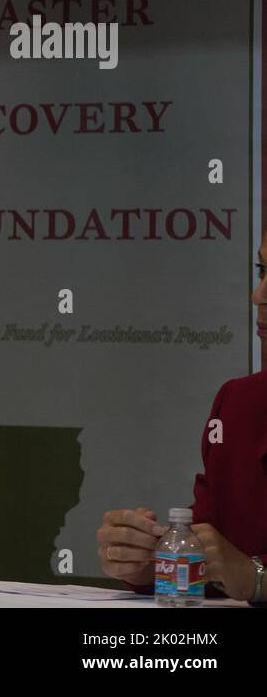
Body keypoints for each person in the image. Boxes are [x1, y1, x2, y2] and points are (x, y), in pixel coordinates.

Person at [97, 227, 267, 604]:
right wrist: (151, 557)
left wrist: (257, 578)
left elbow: (242, 571)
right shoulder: (240, 403)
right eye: (262, 271)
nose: (258, 296)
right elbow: (214, 550)